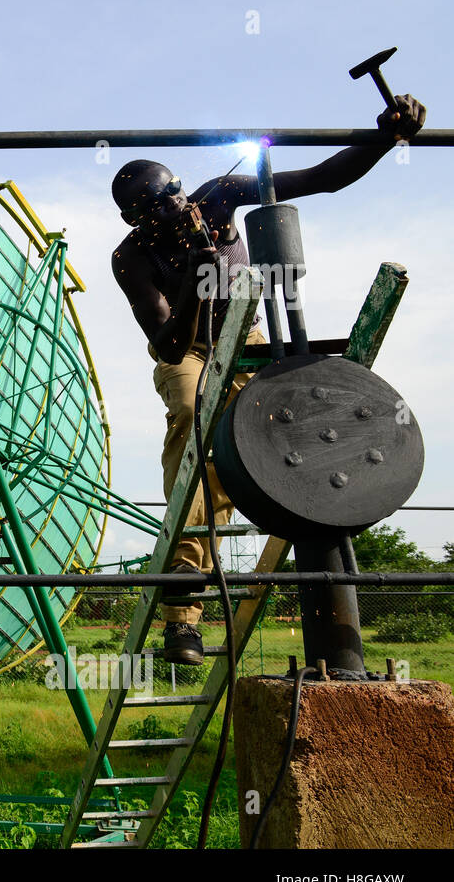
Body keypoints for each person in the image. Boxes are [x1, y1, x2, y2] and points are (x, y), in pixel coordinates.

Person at [110, 94, 426, 664]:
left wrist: (387, 137)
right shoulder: (131, 257)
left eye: (178, 190)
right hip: (191, 353)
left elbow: (323, 177)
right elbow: (167, 342)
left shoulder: (218, 198)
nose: (180, 206)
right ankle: (182, 611)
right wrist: (194, 284)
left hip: (247, 333)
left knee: (293, 425)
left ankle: (321, 554)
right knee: (193, 429)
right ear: (141, 220)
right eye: (162, 204)